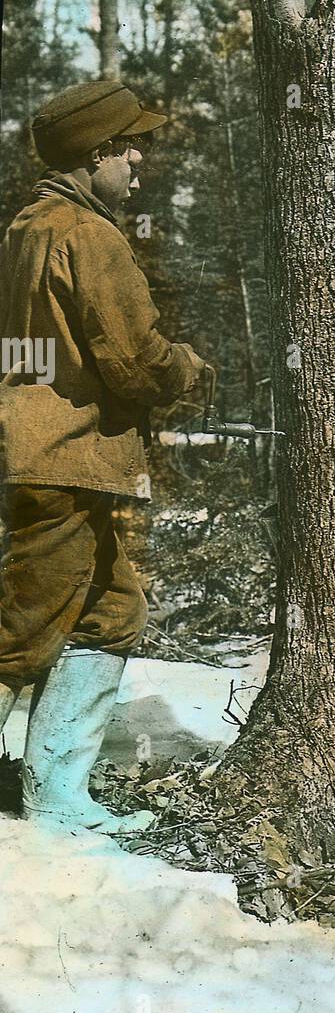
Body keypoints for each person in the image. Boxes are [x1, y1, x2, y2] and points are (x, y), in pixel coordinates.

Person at [0, 80, 208, 833]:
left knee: (113, 611)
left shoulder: (26, 226)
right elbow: (135, 361)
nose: (138, 162)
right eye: (129, 148)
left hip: (50, 452)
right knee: (22, 630)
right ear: (94, 156)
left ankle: (55, 794)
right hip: (65, 457)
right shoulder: (90, 235)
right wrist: (188, 370)